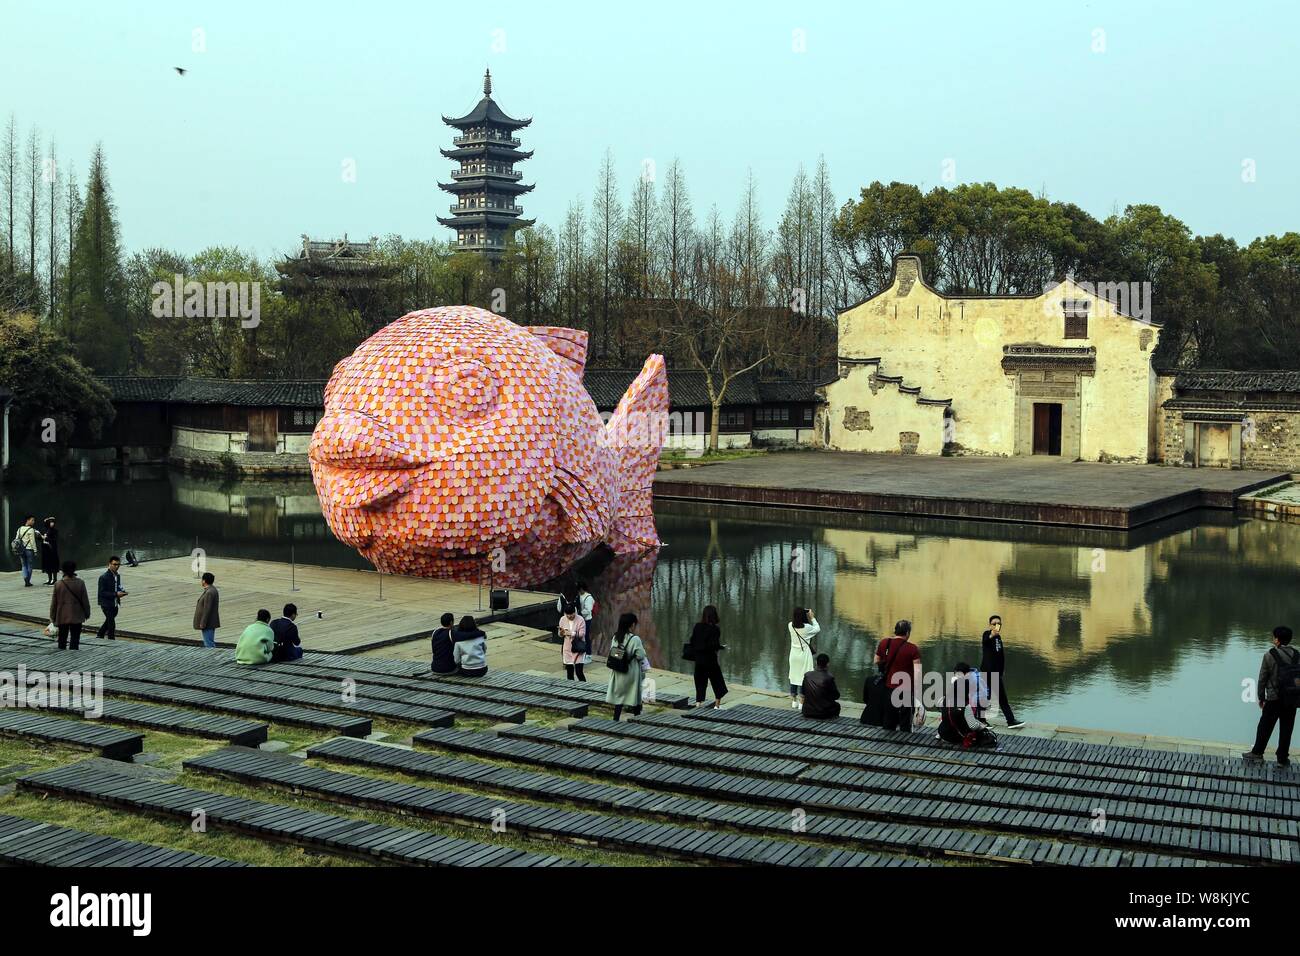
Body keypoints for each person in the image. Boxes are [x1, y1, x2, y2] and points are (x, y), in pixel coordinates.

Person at [1244, 625, 1299, 767]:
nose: (1273, 639)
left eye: (1274, 637)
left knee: (1265, 726)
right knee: (1287, 728)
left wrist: (1261, 697)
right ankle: (1282, 758)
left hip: (1273, 698)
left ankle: (1257, 752)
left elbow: (1262, 678)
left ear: (1277, 640)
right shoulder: (1297, 655)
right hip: (1291, 699)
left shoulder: (1269, 655)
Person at [875, 619, 922, 733]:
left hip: (889, 686)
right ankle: (904, 738)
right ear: (907, 633)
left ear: (896, 631)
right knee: (905, 718)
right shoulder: (912, 648)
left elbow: (876, 660)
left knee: (889, 715)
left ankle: (887, 736)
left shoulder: (884, 643)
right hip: (906, 688)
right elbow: (917, 671)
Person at [980, 614, 1025, 729]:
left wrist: (1002, 670)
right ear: (990, 625)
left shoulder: (998, 638)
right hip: (988, 672)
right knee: (996, 698)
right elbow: (986, 640)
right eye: (994, 624)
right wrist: (991, 634)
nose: (996, 626)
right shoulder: (987, 634)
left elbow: (1000, 656)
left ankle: (983, 721)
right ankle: (1009, 720)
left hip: (996, 673)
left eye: (998, 624)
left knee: (992, 697)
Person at [937, 663, 997, 747]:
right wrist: (981, 726)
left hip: (943, 733)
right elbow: (973, 726)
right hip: (954, 737)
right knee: (974, 725)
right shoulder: (965, 706)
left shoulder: (945, 700)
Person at [606, 612, 649, 721]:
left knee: (619, 697)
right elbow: (641, 655)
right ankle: (637, 719)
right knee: (634, 696)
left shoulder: (616, 637)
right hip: (631, 672)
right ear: (632, 625)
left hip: (618, 670)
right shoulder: (635, 639)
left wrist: (622, 654)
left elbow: (613, 653)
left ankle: (615, 719)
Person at [688, 605, 727, 708]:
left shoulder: (697, 626)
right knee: (717, 682)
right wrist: (721, 647)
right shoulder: (715, 629)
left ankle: (698, 704)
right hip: (710, 660)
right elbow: (714, 645)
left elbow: (692, 641)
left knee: (700, 682)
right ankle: (717, 705)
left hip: (699, 660)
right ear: (714, 616)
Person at [49, 561, 91, 651]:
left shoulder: (58, 584)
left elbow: (54, 603)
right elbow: (85, 601)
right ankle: (74, 656)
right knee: (75, 639)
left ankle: (62, 656)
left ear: (63, 570)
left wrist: (52, 617)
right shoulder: (80, 583)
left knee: (62, 640)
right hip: (77, 615)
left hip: (62, 616)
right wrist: (87, 613)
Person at [787, 607, 820, 709]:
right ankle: (802, 703)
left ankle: (793, 701)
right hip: (804, 655)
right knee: (803, 677)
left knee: (794, 676)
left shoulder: (790, 625)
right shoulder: (807, 627)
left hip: (794, 655)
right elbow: (817, 629)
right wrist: (812, 617)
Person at [800, 653, 841, 719]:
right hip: (823, 713)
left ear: (816, 663)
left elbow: (803, 692)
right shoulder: (829, 677)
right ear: (827, 664)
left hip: (807, 711)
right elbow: (836, 696)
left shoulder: (807, 675)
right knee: (837, 706)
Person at [96, 556, 126, 641]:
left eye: (118, 564)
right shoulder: (104, 577)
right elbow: (102, 593)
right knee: (111, 623)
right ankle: (111, 639)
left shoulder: (118, 575)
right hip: (106, 603)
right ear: (109, 564)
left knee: (109, 620)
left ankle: (100, 634)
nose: (117, 566)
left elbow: (118, 586)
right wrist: (116, 594)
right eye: (115, 564)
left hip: (115, 602)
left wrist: (122, 592)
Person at [559, 601, 589, 682]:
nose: (569, 616)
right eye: (567, 614)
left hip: (578, 648)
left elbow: (582, 634)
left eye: (571, 614)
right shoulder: (562, 619)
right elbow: (560, 634)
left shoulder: (580, 619)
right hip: (567, 648)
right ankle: (571, 690)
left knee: (579, 672)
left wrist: (571, 633)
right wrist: (561, 633)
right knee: (569, 672)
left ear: (574, 612)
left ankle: (584, 688)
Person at [193, 572, 220, 648]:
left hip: (208, 623)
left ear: (204, 581)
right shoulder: (212, 590)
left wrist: (203, 623)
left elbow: (207, 609)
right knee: (209, 641)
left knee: (208, 643)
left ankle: (212, 658)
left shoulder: (209, 592)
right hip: (210, 622)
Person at [15, 516, 40, 587]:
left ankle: (25, 578)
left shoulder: (19, 529)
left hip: (21, 550)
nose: (33, 522)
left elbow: (16, 539)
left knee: (23, 565)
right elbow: (33, 542)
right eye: (32, 520)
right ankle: (27, 581)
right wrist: (35, 551)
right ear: (27, 520)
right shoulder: (31, 530)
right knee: (30, 565)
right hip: (29, 550)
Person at [39, 517, 59, 586]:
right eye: (50, 522)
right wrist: (40, 537)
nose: (52, 523)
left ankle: (55, 579)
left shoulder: (55, 530)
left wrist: (46, 538)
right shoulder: (44, 530)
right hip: (45, 549)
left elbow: (55, 539)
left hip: (52, 549)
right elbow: (41, 539)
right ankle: (50, 579)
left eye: (53, 522)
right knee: (47, 564)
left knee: (53, 564)